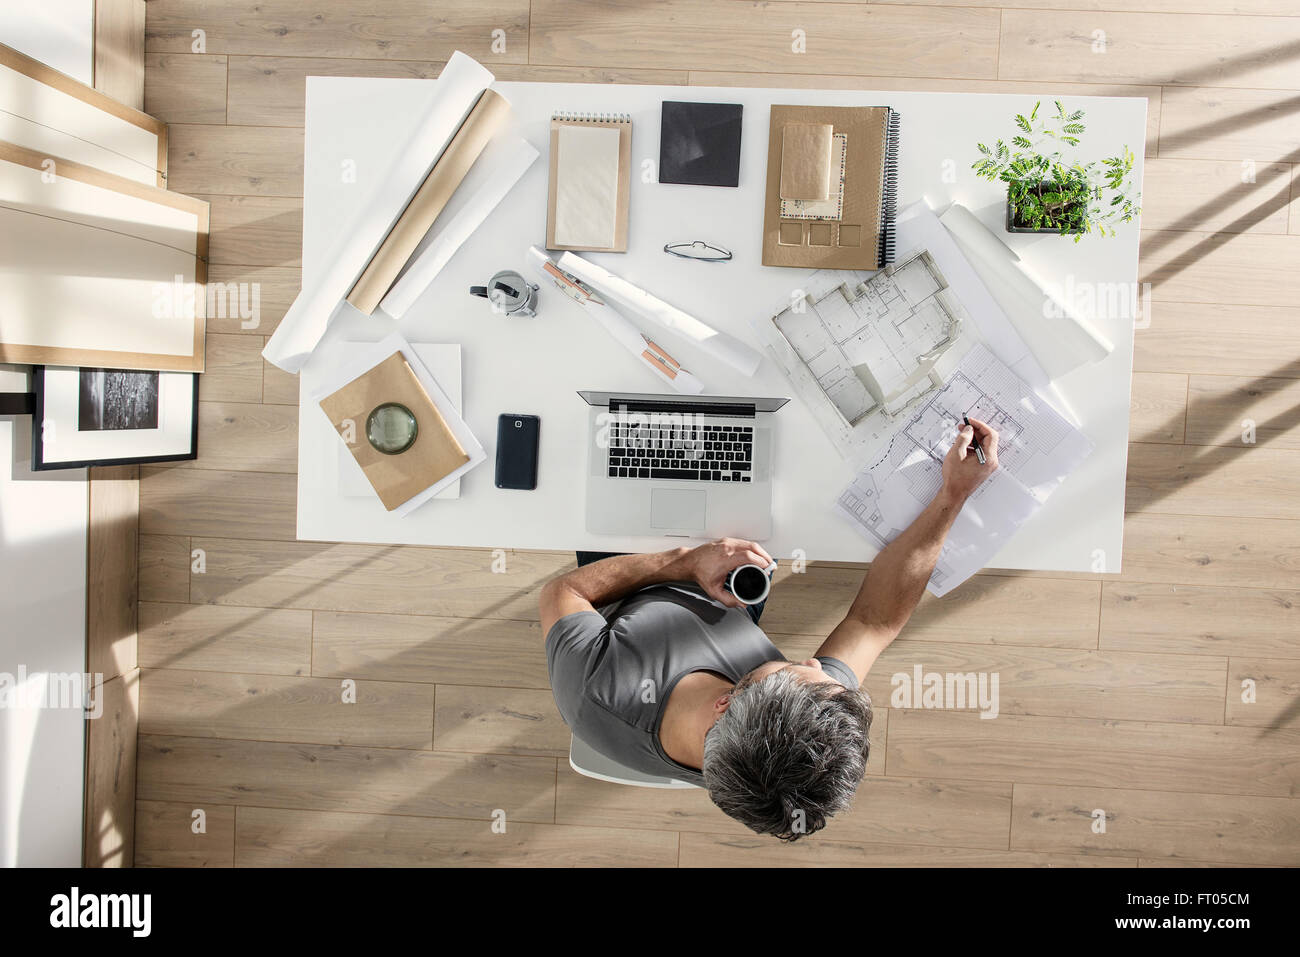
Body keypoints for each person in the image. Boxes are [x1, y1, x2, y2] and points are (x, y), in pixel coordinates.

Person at [539, 418, 1000, 841]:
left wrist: (680, 562)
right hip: (726, 592)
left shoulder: (595, 692)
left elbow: (562, 594)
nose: (817, 662)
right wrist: (953, 496)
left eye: (793, 667)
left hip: (631, 575)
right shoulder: (799, 723)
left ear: (725, 702)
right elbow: (873, 622)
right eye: (817, 671)